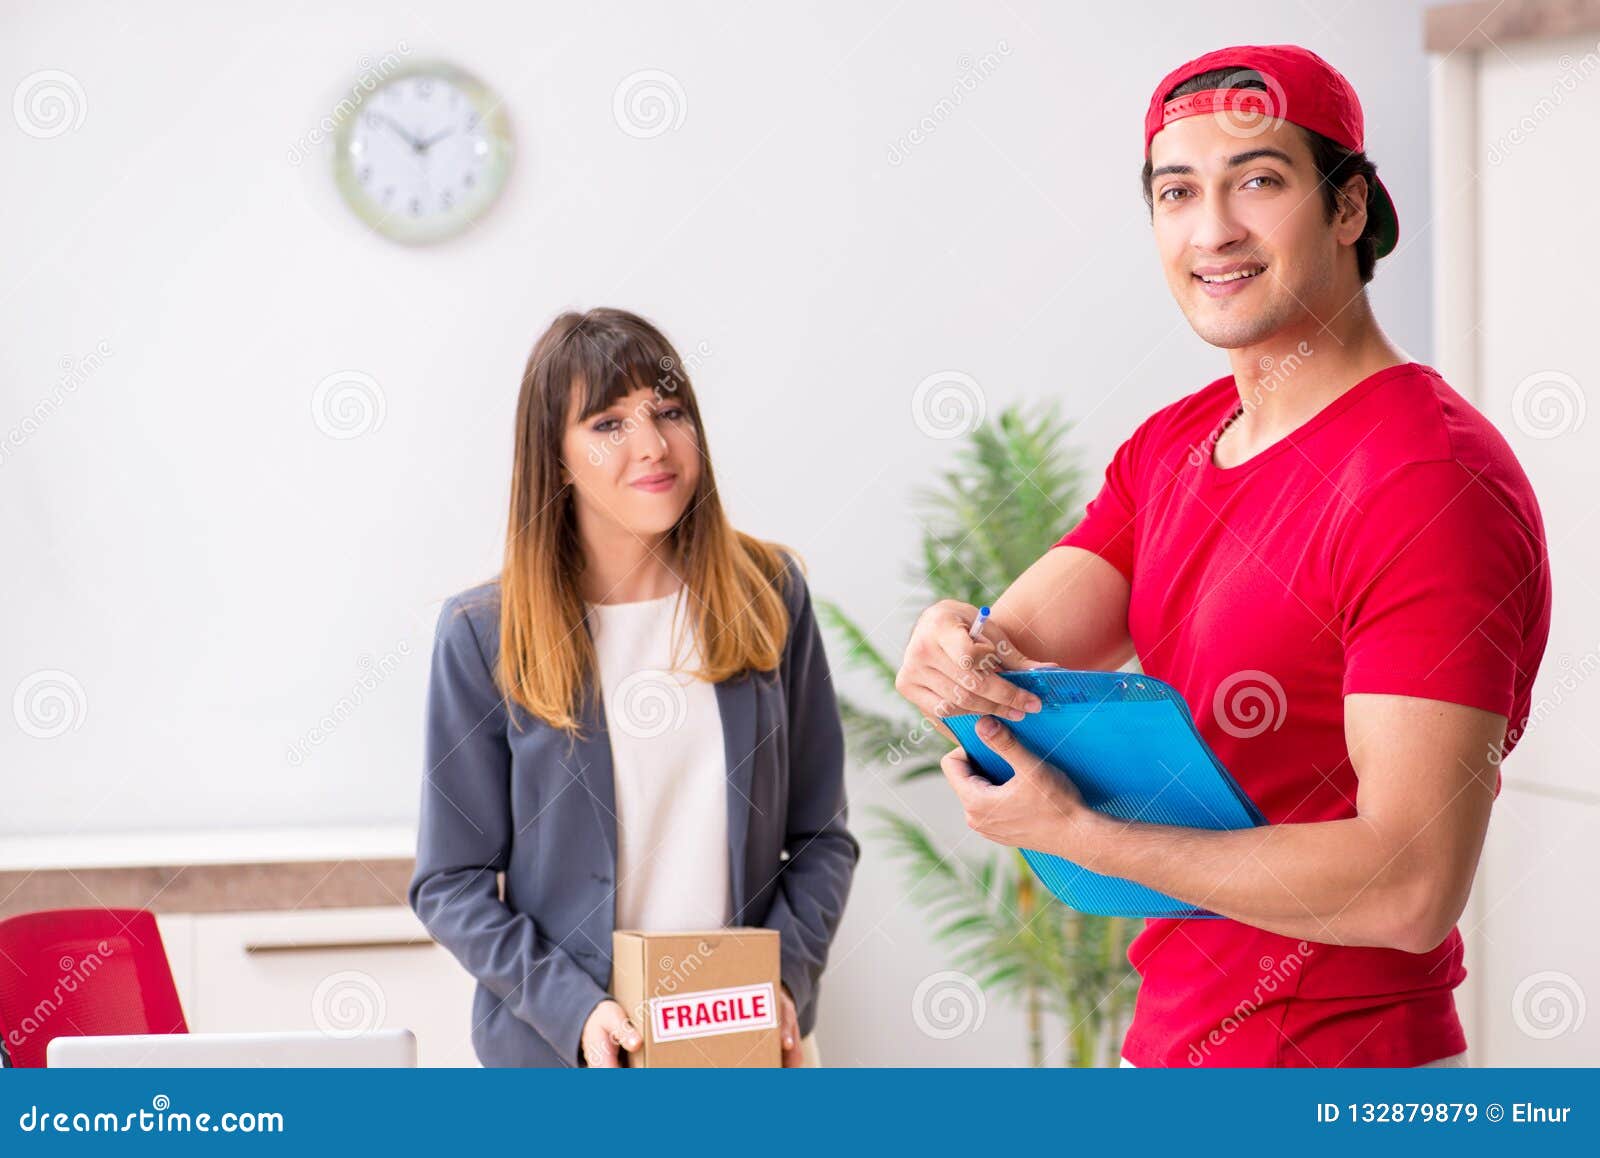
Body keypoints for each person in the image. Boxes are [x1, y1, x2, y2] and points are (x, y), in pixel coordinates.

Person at [894, 45, 1551, 1068]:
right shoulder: (1177, 446)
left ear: (1347, 208)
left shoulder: (1428, 482)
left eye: (1256, 180)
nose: (1212, 231)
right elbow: (1007, 650)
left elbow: (1411, 886)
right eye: (1176, 191)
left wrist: (1084, 839)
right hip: (1171, 1048)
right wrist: (948, 641)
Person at [409, 307, 858, 1067]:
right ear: (554, 458)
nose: (652, 445)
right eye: (608, 424)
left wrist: (782, 980)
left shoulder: (768, 594)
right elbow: (449, 882)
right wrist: (577, 1010)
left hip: (744, 1051)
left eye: (669, 411)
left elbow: (822, 839)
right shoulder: (483, 631)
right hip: (569, 1058)